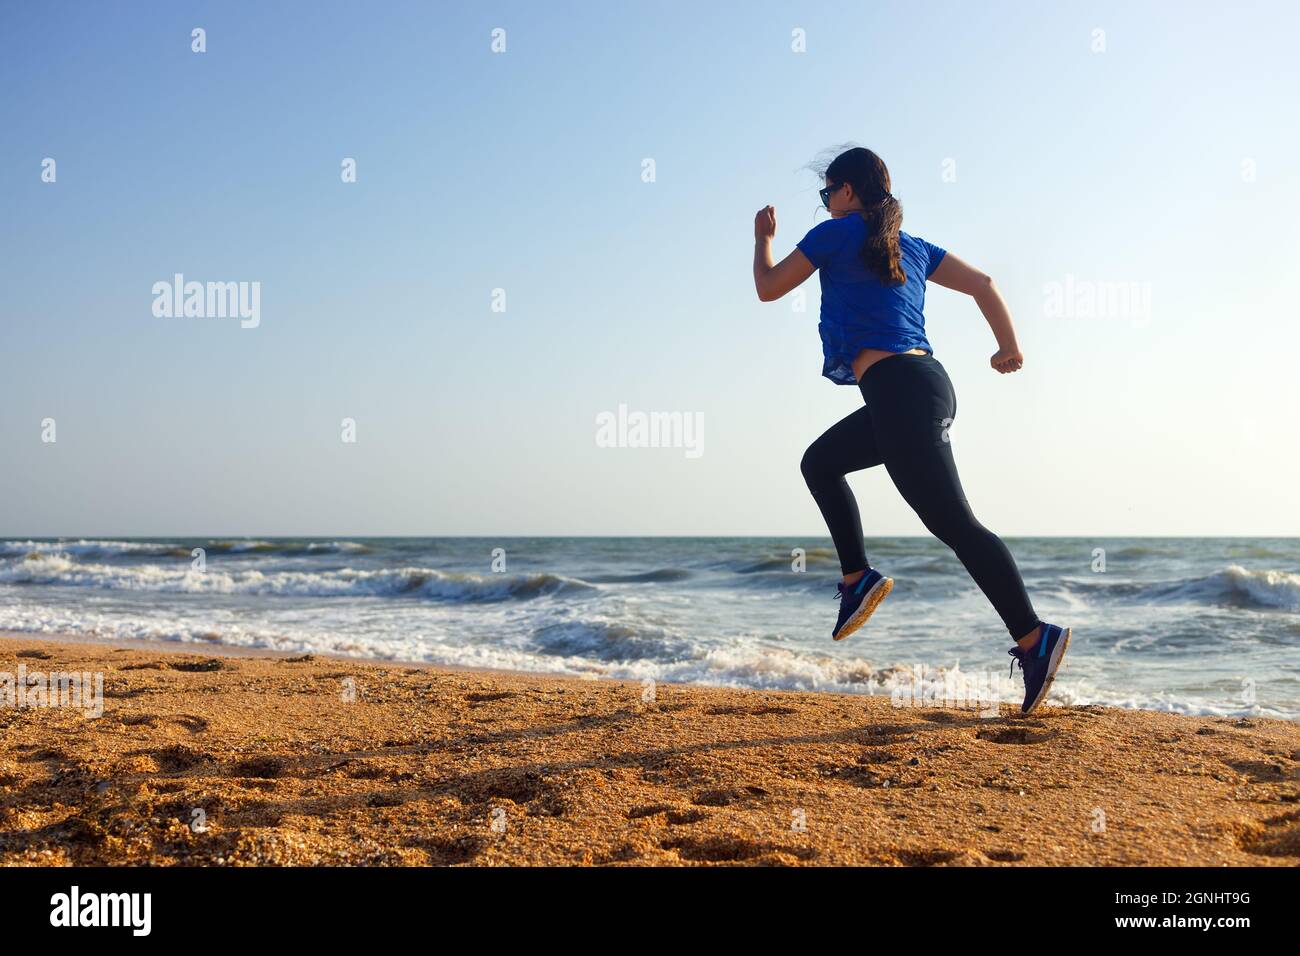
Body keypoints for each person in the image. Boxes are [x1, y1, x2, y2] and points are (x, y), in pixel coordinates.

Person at [752, 145, 1070, 715]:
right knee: (820, 463)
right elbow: (984, 282)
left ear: (848, 191)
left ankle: (1034, 637)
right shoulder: (912, 246)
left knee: (955, 523)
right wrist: (1008, 347)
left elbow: (769, 287)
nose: (826, 204)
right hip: (919, 387)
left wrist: (762, 239)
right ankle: (858, 579)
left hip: (901, 393)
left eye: (828, 193)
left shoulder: (835, 235)